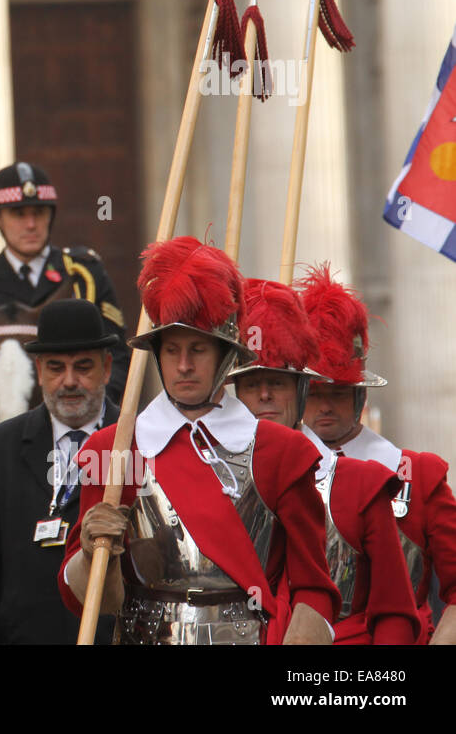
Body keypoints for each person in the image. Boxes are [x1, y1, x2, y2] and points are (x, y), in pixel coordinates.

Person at [58, 236, 338, 644]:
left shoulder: (283, 452)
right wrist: (90, 551)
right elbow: (99, 600)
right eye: (172, 350)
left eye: (198, 350)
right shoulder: (111, 449)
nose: (184, 365)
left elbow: (314, 588)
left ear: (225, 357)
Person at [230, 276, 419, 645]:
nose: (265, 395)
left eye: (279, 383)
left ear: (300, 391)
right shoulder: (203, 475)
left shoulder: (361, 484)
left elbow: (394, 611)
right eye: (252, 385)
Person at [297, 264, 456, 644]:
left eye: (337, 393)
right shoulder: (278, 472)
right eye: (314, 393)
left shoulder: (419, 475)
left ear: (360, 395)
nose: (324, 408)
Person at [0, 297, 117, 643]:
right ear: (39, 369)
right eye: (56, 367)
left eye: (84, 367)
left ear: (106, 368)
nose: (69, 381)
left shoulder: (142, 441)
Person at [0, 162, 129, 413]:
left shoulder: (84, 274)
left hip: (83, 419)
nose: (31, 224)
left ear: (51, 215)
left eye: (39, 212)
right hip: (3, 425)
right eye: (19, 214)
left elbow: (118, 356)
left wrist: (89, 414)